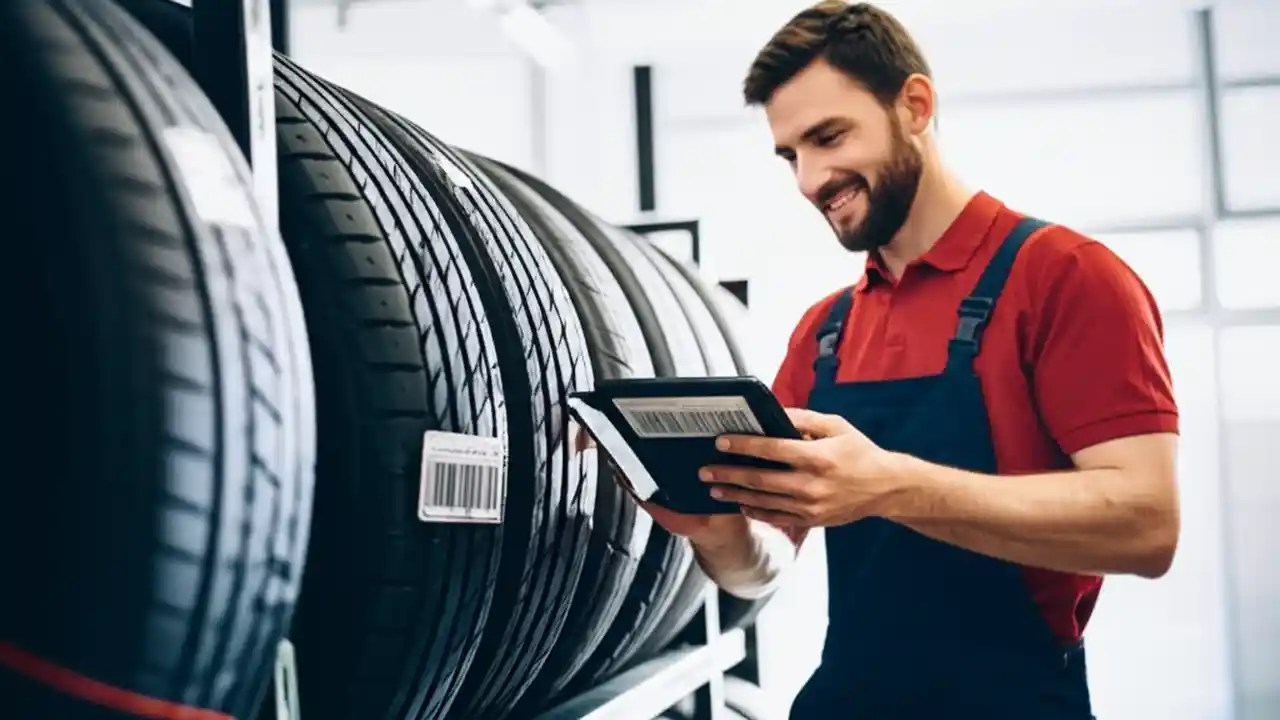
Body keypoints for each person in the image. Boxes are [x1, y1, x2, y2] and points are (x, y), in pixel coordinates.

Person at [613, 2, 1182, 718]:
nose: (810, 180)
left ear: (914, 105)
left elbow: (1146, 524)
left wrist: (889, 487)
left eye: (828, 137)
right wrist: (717, 531)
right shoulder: (825, 331)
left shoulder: (1069, 278)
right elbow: (767, 564)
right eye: (792, 154)